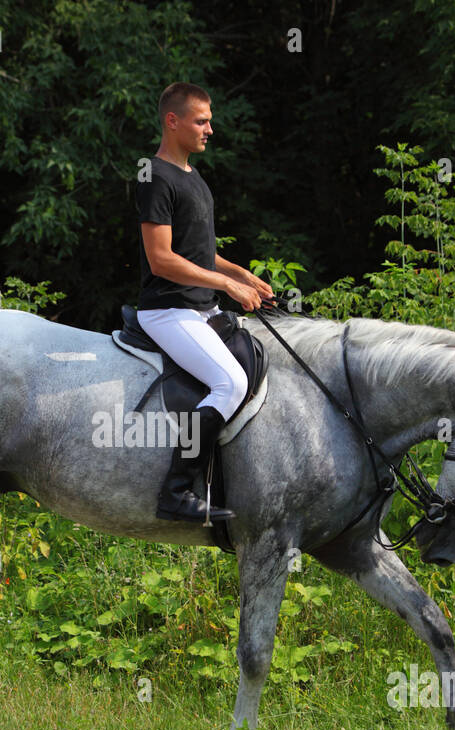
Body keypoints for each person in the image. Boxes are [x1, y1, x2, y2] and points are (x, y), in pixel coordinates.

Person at [136, 82, 273, 523]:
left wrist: (241, 275)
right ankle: (174, 492)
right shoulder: (152, 175)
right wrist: (226, 286)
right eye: (201, 120)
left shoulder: (193, 177)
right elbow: (161, 260)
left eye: (209, 120)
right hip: (167, 310)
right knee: (229, 383)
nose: (210, 129)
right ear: (172, 121)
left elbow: (198, 253)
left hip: (201, 308)